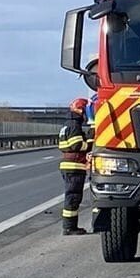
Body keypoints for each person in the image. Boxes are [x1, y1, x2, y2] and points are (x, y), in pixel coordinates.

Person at [57, 98, 92, 235]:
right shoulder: (74, 125)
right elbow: (77, 145)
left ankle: (69, 226)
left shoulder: (67, 125)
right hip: (74, 165)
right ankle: (70, 227)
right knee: (73, 197)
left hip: (69, 165)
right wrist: (89, 142)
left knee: (71, 196)